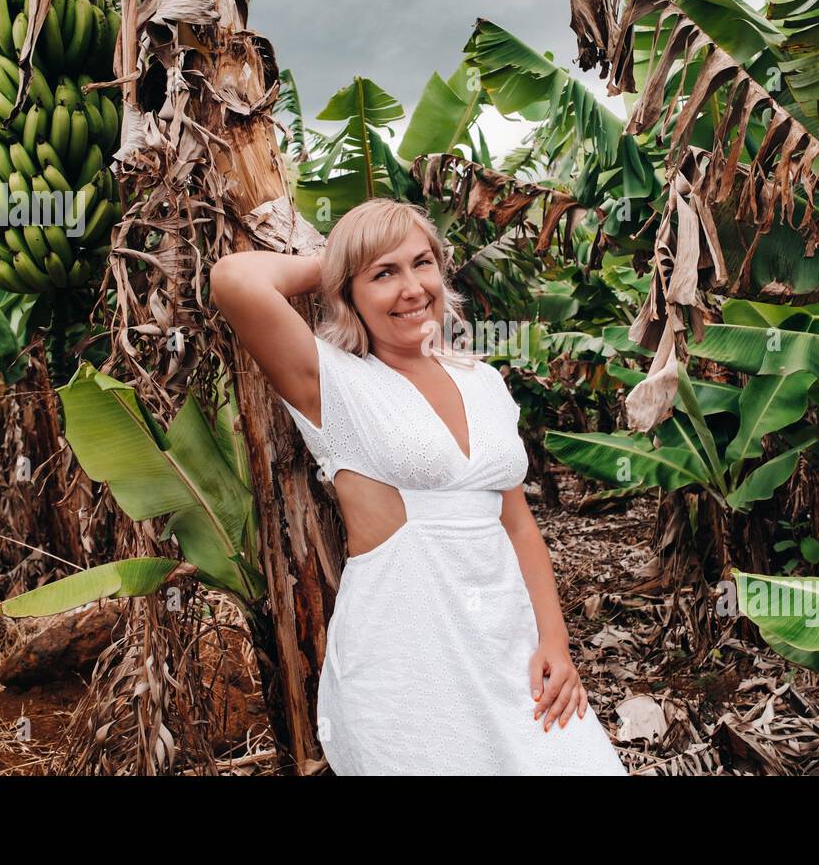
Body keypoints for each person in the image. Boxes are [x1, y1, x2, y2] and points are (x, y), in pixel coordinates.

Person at [210, 197, 627, 776]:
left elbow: (518, 525)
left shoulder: (483, 381)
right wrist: (337, 257)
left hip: (510, 651)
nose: (412, 288)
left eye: (421, 262)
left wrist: (554, 642)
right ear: (347, 291)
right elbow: (233, 279)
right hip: (407, 671)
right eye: (384, 273)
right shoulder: (334, 383)